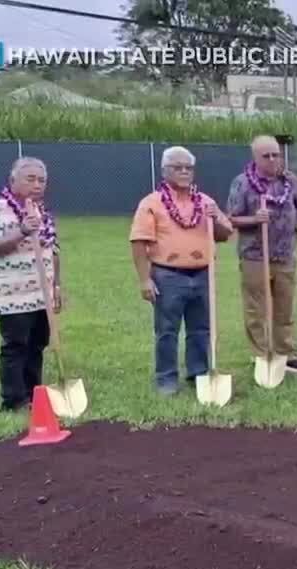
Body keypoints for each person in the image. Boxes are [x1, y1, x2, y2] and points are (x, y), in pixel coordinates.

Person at [129, 146, 235, 395]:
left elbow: (225, 233)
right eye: (178, 167)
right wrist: (145, 280)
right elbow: (138, 242)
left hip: (202, 273)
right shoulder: (151, 203)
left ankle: (198, 373)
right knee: (167, 330)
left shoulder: (205, 201)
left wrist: (216, 219)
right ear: (165, 170)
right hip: (168, 275)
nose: (185, 172)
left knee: (201, 329)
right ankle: (166, 379)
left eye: (189, 168)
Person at [0, 157, 61, 412]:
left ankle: (34, 393)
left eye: (42, 180)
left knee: (37, 344)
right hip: (13, 296)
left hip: (42, 295)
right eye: (30, 179)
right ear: (13, 181)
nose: (37, 185)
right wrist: (22, 230)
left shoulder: (42, 212)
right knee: (15, 347)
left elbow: (53, 250)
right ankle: (13, 400)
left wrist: (56, 285)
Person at [226, 134, 297, 373]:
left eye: (276, 154)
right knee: (256, 309)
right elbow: (230, 218)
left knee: (285, 306)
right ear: (255, 158)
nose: (273, 159)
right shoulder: (242, 183)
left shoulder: (290, 181)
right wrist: (254, 219)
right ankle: (261, 354)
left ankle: (286, 352)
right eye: (266, 156)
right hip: (254, 256)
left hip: (284, 256)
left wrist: (296, 234)